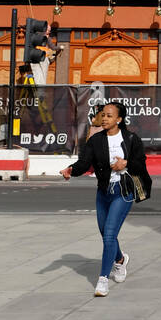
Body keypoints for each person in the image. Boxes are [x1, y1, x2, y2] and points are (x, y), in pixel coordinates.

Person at [60, 101, 151, 297]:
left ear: (119, 119)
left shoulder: (131, 139)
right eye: (103, 115)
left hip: (123, 191)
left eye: (109, 116)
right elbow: (84, 163)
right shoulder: (96, 140)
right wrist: (71, 170)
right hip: (103, 192)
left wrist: (125, 163)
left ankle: (102, 280)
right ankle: (120, 261)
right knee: (105, 233)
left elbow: (141, 164)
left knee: (110, 235)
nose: (104, 118)